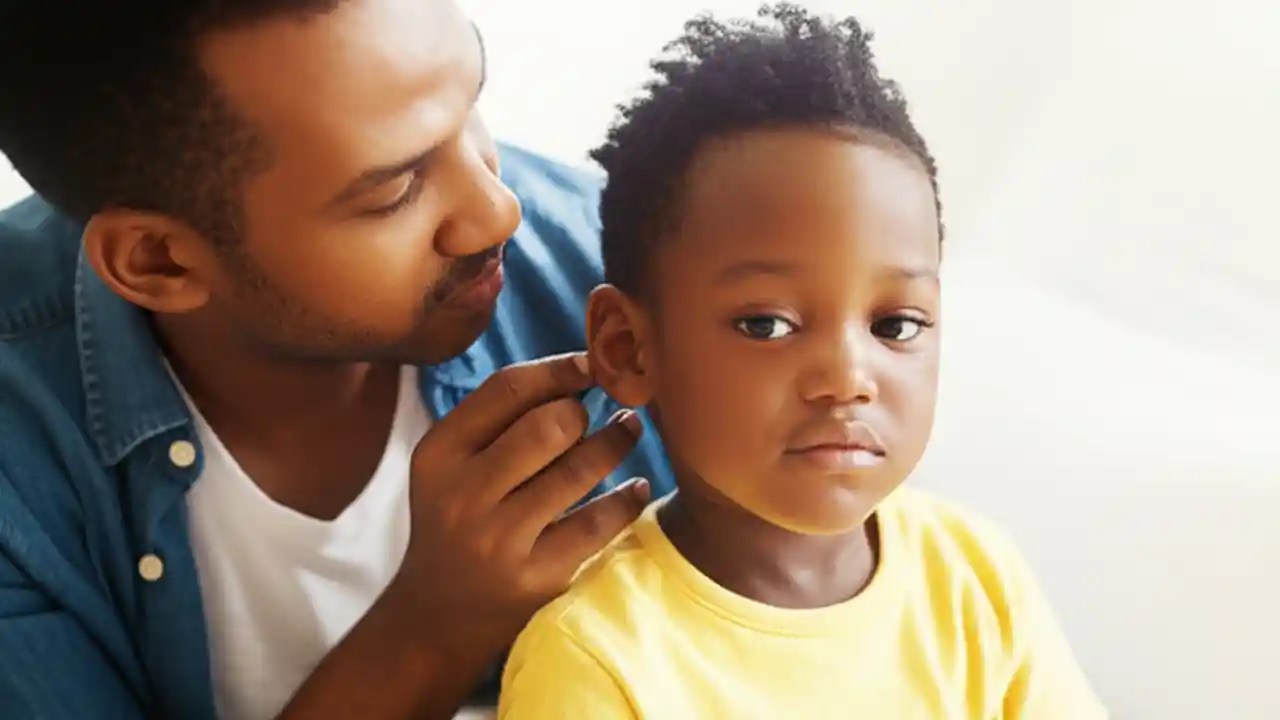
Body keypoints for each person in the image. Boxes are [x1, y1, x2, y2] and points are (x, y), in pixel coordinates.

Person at [0, 1, 676, 718]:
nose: (497, 210)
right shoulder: (21, 460)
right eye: (393, 192)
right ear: (159, 260)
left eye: (471, 104)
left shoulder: (633, 263)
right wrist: (433, 626)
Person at [498, 5, 1108, 718]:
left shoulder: (974, 574)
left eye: (896, 323)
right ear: (628, 347)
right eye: (767, 324)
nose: (849, 378)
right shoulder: (597, 659)